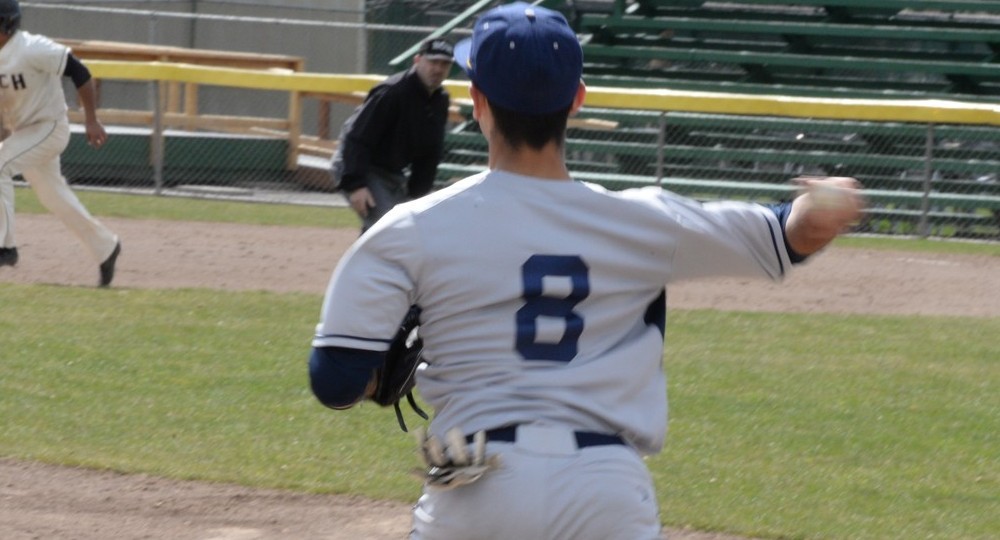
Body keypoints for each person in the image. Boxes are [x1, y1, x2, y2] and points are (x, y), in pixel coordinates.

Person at [308, 3, 865, 539]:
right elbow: (792, 235)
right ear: (575, 100)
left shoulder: (412, 227)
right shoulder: (644, 219)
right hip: (606, 491)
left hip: (475, 486)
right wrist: (827, 203)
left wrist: (378, 375)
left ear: (477, 101)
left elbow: (334, 381)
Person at [0, 0, 121, 286]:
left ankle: (5, 247)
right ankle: (107, 248)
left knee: (0, 165)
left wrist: (91, 120)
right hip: (24, 132)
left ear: (7, 23)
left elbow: (79, 71)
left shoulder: (31, 47)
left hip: (50, 127)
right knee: (54, 197)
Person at [331, 37, 453, 234]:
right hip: (360, 166)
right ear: (417, 61)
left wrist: (417, 196)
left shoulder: (440, 100)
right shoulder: (393, 92)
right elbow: (357, 137)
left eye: (444, 64)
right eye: (433, 62)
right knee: (392, 229)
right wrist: (355, 184)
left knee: (398, 228)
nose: (438, 69)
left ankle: (365, 263)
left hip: (392, 173)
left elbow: (430, 154)